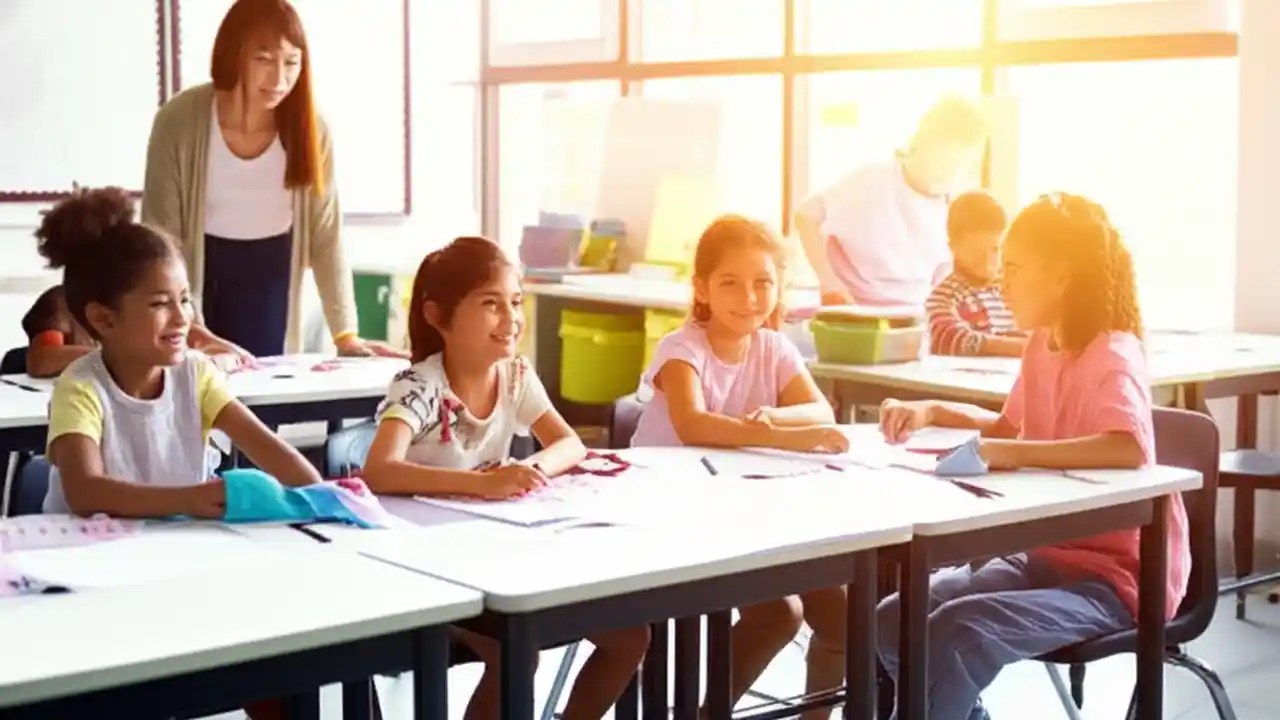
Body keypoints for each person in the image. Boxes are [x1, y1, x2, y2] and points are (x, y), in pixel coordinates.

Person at [875, 193, 1190, 720]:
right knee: (893, 617)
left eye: (1015, 269)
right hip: (1048, 557)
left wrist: (1009, 452)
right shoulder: (1041, 345)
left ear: (1062, 276)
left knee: (959, 633)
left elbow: (1127, 445)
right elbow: (1005, 428)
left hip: (1116, 581)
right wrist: (931, 409)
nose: (1003, 283)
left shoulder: (1113, 351)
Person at [360, 236, 648, 720]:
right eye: (491, 304)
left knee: (630, 636)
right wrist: (484, 484)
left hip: (497, 557)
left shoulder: (514, 375)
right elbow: (379, 470)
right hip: (428, 571)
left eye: (515, 302)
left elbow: (570, 443)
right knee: (516, 652)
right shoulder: (420, 385)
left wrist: (529, 471)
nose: (511, 317)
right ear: (438, 317)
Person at [629, 215, 850, 711]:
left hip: (744, 515)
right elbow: (694, 425)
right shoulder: (681, 348)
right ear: (701, 288)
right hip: (667, 517)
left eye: (762, 283)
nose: (748, 297)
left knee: (843, 615)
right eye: (730, 282)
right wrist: (781, 436)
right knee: (780, 614)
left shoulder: (773, 346)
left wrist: (773, 416)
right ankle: (709, 713)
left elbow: (820, 411)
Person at [39, 186, 321, 519]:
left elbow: (273, 452)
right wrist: (190, 500)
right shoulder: (80, 388)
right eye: (160, 303)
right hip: (86, 545)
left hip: (173, 541)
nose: (182, 317)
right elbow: (85, 492)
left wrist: (325, 496)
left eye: (184, 299)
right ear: (104, 319)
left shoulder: (196, 374)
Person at [141, 0, 402, 360]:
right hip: (195, 285)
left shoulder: (312, 129)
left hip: (273, 287)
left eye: (292, 63)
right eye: (264, 59)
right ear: (233, 54)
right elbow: (160, 237)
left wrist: (346, 335)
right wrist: (188, 326)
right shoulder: (179, 120)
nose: (279, 79)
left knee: (266, 383)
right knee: (200, 386)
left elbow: (327, 237)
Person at [795, 94, 990, 308]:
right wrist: (830, 283)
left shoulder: (954, 209)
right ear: (922, 144)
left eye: (959, 166)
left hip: (914, 315)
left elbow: (943, 279)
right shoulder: (873, 180)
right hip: (854, 309)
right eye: (945, 162)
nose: (949, 174)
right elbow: (806, 215)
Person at [926, 190, 1026, 357]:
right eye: (976, 251)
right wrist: (1023, 348)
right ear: (953, 247)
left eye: (995, 250)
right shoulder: (944, 296)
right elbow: (947, 338)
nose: (987, 261)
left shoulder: (1012, 290)